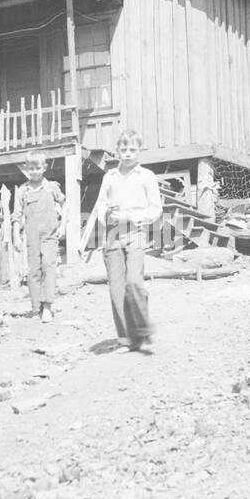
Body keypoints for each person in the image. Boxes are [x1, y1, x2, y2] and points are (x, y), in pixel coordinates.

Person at [90, 130, 162, 352]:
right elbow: (100, 205)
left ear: (139, 151)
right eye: (124, 150)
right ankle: (126, 339)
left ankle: (142, 329)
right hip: (112, 234)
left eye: (132, 150)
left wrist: (131, 217)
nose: (128, 154)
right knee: (117, 288)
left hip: (135, 232)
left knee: (133, 282)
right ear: (117, 152)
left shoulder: (146, 176)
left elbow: (156, 209)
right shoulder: (109, 177)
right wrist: (106, 214)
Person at [15, 152, 65, 322]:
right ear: (26, 169)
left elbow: (64, 204)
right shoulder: (23, 190)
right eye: (31, 168)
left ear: (44, 168)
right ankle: (36, 308)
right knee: (33, 271)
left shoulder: (51, 187)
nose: (34, 172)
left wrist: (63, 226)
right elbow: (17, 216)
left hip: (49, 236)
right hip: (32, 237)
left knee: (49, 267)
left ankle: (48, 307)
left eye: (38, 168)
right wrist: (16, 236)